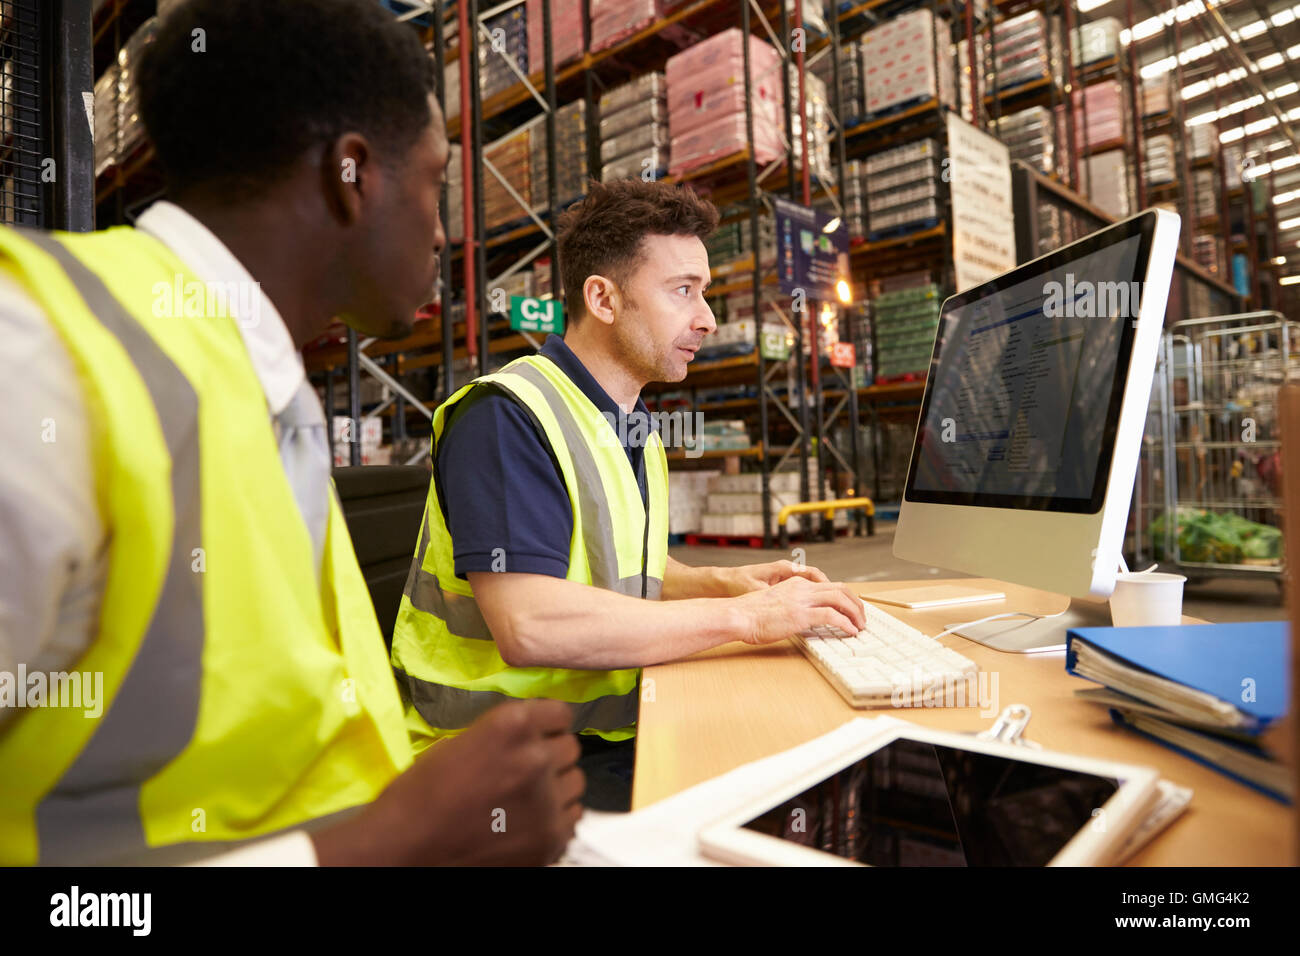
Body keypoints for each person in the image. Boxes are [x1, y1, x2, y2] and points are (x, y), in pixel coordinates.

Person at [0, 0, 582, 866]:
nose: (441, 230)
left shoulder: (263, 385)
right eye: (434, 180)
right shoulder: (36, 354)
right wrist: (385, 843)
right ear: (351, 176)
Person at [390, 179, 868, 810]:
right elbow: (530, 624)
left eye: (705, 292)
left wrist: (733, 584)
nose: (708, 318)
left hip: (595, 731)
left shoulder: (630, 424)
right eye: (683, 292)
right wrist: (745, 620)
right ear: (603, 298)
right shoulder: (507, 417)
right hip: (489, 760)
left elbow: (628, 570)